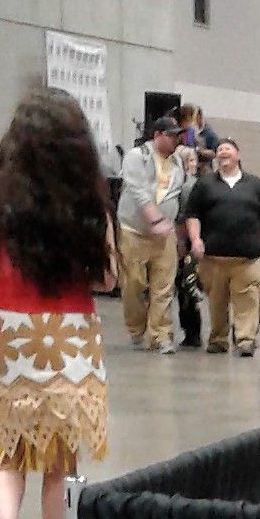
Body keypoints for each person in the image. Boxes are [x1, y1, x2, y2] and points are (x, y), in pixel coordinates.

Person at [0, 88, 114, 519]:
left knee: (8, 445)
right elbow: (107, 278)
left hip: (11, 332)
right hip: (68, 337)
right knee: (58, 457)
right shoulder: (87, 202)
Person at [185, 136, 260, 356]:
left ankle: (246, 340)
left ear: (238, 155)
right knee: (216, 302)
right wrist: (196, 239)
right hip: (213, 258)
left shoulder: (256, 185)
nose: (223, 152)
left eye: (228, 149)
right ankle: (218, 338)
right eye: (220, 150)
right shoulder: (205, 184)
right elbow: (192, 215)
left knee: (248, 300)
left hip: (248, 258)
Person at [116, 113, 185, 350]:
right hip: (134, 230)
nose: (177, 141)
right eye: (172, 136)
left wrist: (176, 230)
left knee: (164, 286)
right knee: (134, 284)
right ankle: (136, 329)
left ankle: (161, 335)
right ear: (157, 135)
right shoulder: (137, 157)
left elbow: (177, 195)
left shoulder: (178, 163)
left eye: (179, 137)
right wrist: (154, 219)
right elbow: (138, 190)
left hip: (165, 234)